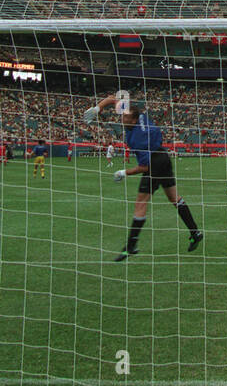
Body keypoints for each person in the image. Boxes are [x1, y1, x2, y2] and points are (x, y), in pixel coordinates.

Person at [85, 94, 201, 261]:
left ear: (132, 121)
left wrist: (124, 172)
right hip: (164, 157)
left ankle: (131, 246)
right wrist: (97, 108)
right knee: (174, 198)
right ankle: (195, 232)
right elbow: (114, 98)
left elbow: (145, 167)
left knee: (141, 202)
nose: (121, 118)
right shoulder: (139, 116)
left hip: (155, 161)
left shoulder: (138, 138)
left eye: (124, 117)